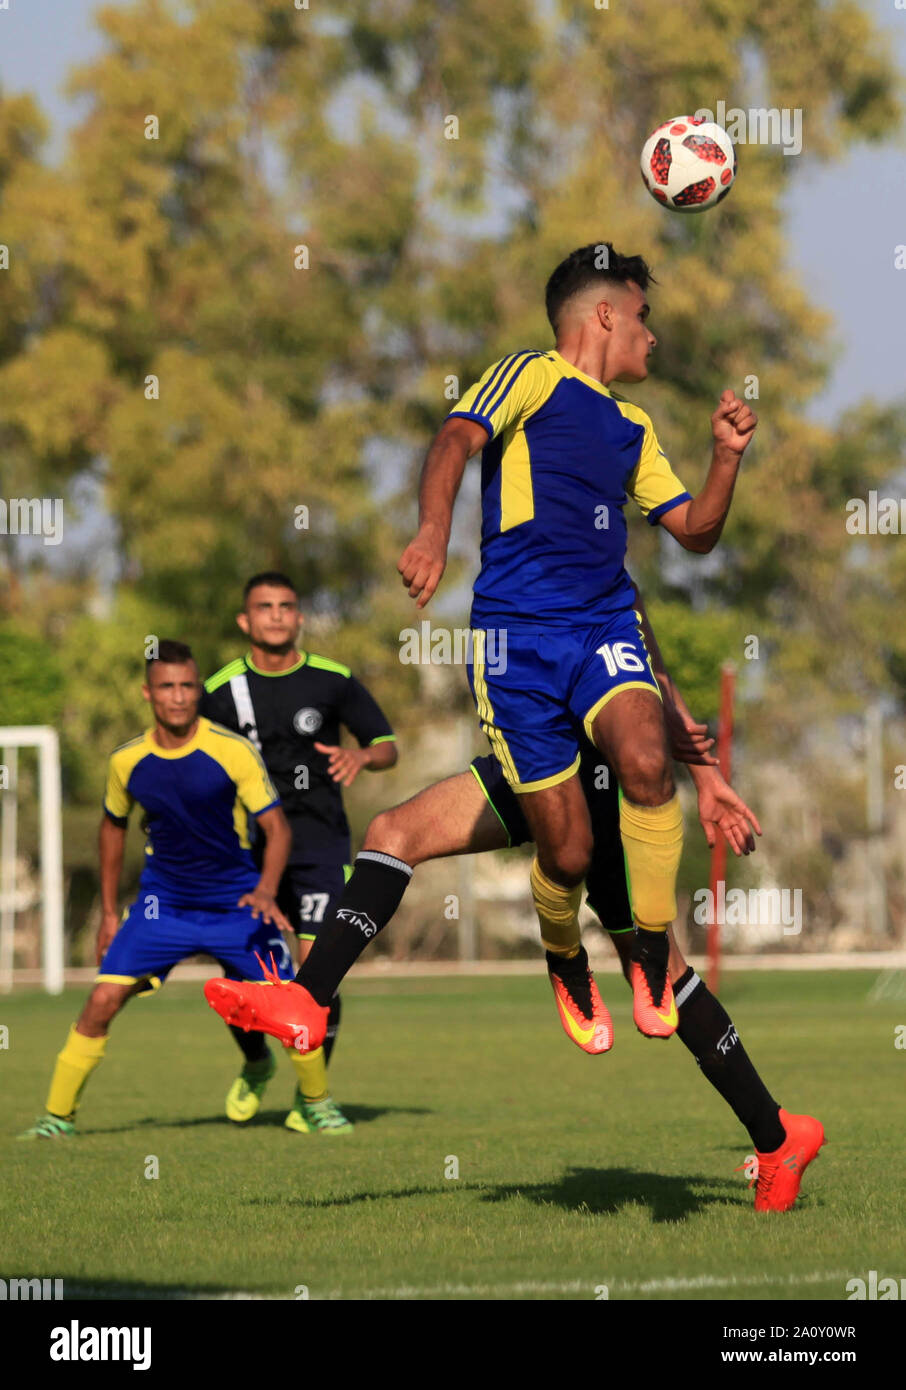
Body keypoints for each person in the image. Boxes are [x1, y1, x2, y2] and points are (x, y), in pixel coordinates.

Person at [397, 241, 757, 1040]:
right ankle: (564, 958)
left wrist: (726, 460)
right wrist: (431, 532)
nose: (650, 335)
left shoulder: (634, 426)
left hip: (600, 628)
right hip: (516, 640)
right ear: (604, 313)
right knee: (565, 853)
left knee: (643, 755)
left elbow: (695, 531)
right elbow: (456, 439)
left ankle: (652, 955)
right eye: (643, 315)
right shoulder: (529, 374)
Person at [18, 640, 296, 1140]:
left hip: (235, 902)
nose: (179, 697)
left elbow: (277, 828)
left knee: (285, 1006)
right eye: (167, 686)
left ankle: (310, 1099)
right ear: (148, 693)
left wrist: (268, 891)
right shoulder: (127, 761)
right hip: (161, 906)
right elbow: (112, 826)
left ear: (198, 690)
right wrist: (107, 912)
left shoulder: (231, 750)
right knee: (102, 1000)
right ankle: (56, 1119)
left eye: (188, 685)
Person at [200, 572, 398, 1134]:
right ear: (245, 621)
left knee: (317, 975)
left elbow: (386, 745)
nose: (277, 615)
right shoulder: (220, 690)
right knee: (241, 969)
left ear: (300, 617)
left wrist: (362, 758)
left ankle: (314, 1100)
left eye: (287, 606)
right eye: (264, 607)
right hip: (248, 853)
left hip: (319, 845)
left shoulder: (331, 680)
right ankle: (256, 1061)